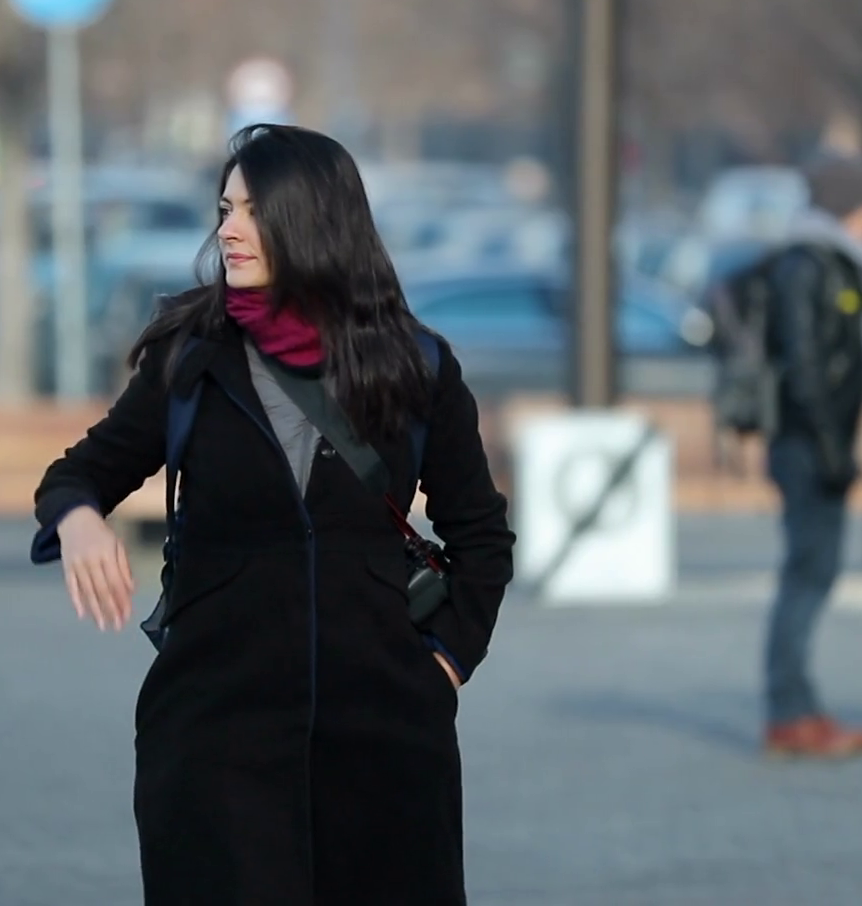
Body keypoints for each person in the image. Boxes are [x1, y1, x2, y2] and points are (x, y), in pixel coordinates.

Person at [29, 125, 515, 905]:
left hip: (386, 746)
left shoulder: (413, 364)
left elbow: (482, 538)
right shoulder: (190, 357)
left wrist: (441, 668)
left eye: (254, 211)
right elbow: (77, 474)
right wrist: (79, 520)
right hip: (215, 741)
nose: (230, 229)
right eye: (225, 209)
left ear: (312, 218)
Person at [761, 152, 862, 759]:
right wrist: (832, 445)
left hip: (818, 440)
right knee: (807, 573)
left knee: (815, 571)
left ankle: (800, 706)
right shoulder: (809, 265)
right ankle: (790, 713)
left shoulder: (832, 262)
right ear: (845, 207)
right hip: (808, 443)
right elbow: (806, 366)